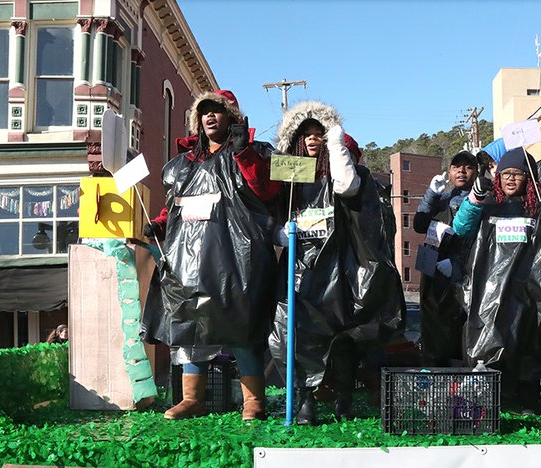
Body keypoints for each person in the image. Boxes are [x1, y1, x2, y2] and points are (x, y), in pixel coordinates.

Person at [141, 90, 279, 421]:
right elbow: (173, 204)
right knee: (192, 325)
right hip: (189, 258)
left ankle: (253, 403)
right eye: (204, 112)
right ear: (197, 121)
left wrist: (243, 151)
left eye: (217, 111)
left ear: (231, 116)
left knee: (242, 327)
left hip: (238, 256)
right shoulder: (184, 165)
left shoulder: (252, 153)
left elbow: (266, 190)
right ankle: (192, 398)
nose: (210, 117)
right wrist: (159, 224)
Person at [268, 101, 404, 424]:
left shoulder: (341, 172)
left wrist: (336, 142)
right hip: (300, 267)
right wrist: (280, 233)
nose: (314, 139)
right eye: (308, 134)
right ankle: (305, 399)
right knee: (295, 332)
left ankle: (344, 395)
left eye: (319, 133)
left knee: (340, 334)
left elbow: (347, 186)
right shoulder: (292, 177)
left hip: (338, 267)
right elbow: (273, 209)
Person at [450, 147, 541, 413]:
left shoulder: (539, 208)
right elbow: (461, 227)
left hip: (531, 290)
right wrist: (475, 197)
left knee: (527, 342)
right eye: (505, 173)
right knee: (494, 343)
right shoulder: (487, 204)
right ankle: (499, 400)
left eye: (517, 174)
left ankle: (529, 398)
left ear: (528, 179)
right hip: (491, 291)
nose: (510, 179)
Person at [413, 150, 478, 365]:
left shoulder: (478, 202)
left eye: (468, 167)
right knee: (433, 331)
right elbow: (419, 224)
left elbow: (479, 243)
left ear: (476, 172)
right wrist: (431, 194)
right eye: (456, 166)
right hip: (432, 275)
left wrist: (458, 265)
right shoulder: (440, 199)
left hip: (462, 280)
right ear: (449, 172)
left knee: (459, 332)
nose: (461, 171)